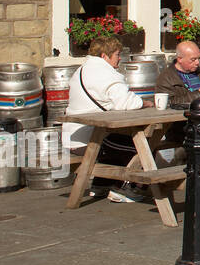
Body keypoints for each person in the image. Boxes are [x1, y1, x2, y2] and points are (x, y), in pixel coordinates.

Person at [63, 33, 149, 203]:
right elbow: (126, 102)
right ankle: (128, 189)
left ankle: (101, 184)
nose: (119, 59)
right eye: (117, 54)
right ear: (104, 56)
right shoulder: (104, 73)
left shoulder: (82, 70)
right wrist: (145, 103)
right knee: (145, 145)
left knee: (119, 138)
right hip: (90, 140)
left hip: (74, 138)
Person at [156, 41, 200, 108]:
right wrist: (198, 94)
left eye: (198, 58)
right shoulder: (166, 78)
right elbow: (167, 102)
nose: (197, 62)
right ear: (180, 59)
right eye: (193, 59)